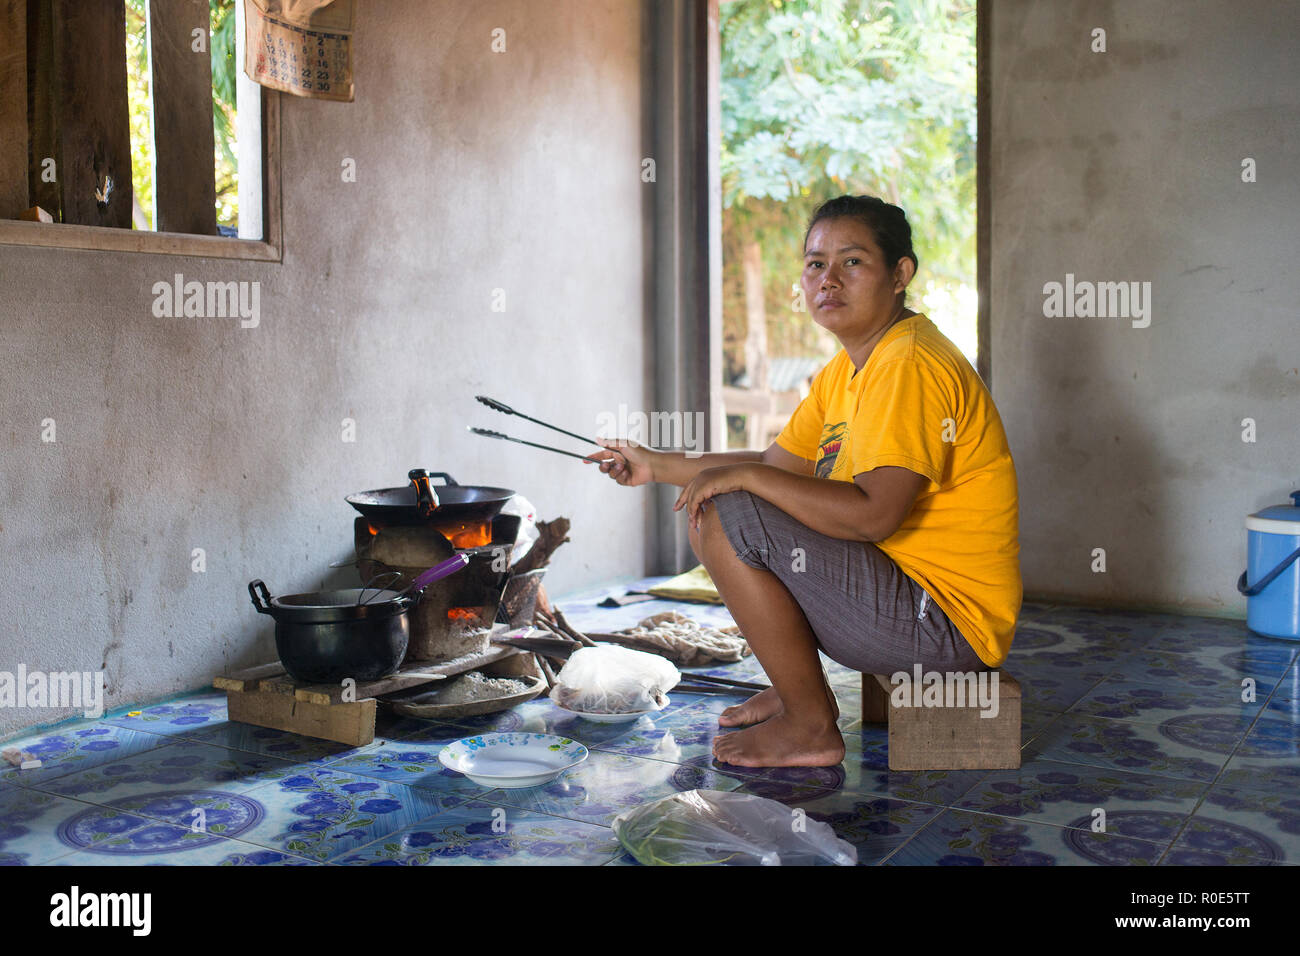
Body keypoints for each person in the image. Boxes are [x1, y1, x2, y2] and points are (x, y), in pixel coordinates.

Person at [590, 195, 1021, 768]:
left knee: (727, 512)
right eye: (815, 264)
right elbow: (779, 465)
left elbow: (873, 515)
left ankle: (810, 723)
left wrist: (738, 477)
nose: (828, 280)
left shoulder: (909, 364)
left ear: (900, 274)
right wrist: (655, 465)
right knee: (734, 499)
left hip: (943, 630)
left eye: (852, 262)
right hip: (904, 599)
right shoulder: (849, 367)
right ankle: (799, 692)